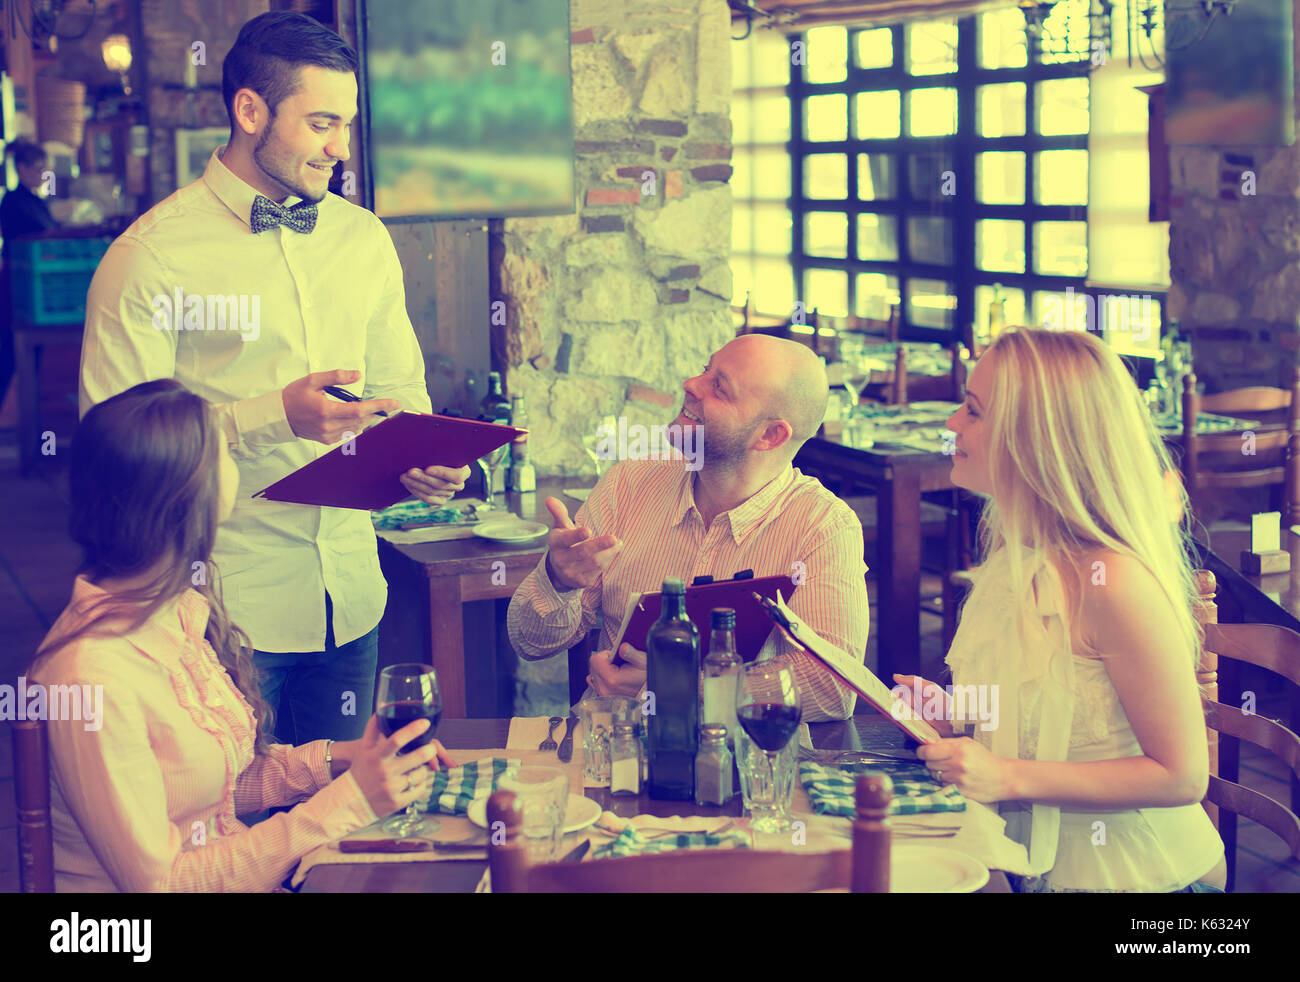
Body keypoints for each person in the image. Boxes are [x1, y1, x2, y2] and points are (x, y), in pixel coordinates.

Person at [79, 11, 469, 745]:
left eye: (347, 124)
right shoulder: (148, 259)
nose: (340, 149)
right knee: (230, 835)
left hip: (352, 601)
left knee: (338, 832)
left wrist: (419, 453)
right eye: (322, 123)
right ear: (249, 110)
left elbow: (399, 388)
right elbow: (116, 461)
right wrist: (272, 418)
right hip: (220, 612)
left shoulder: (364, 239)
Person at [31, 380, 453, 892]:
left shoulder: (175, 608)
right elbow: (164, 885)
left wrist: (340, 760)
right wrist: (352, 802)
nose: (233, 461)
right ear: (185, 496)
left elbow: (214, 784)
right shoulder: (90, 677)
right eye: (221, 452)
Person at [898, 327, 1226, 892]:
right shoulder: (1015, 553)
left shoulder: (1114, 583)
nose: (953, 424)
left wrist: (1002, 774)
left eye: (973, 411)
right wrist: (957, 712)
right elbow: (1047, 702)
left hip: (1140, 880)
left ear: (1037, 439)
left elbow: (1182, 775)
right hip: (1023, 861)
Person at [507, 334, 869, 722]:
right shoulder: (627, 485)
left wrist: (678, 685)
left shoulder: (823, 526)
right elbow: (529, 642)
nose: (690, 385)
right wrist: (559, 581)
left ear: (770, 435)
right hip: (610, 754)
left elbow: (834, 688)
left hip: (740, 767)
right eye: (705, 369)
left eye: (719, 387)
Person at [0, 139, 59, 408]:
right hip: (18, 288)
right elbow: (35, 236)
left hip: (34, 289)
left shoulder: (34, 200)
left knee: (29, 356)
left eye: (44, 169)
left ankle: (25, 414)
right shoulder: (13, 201)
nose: (42, 175)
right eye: (38, 169)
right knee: (10, 353)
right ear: (21, 168)